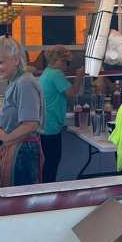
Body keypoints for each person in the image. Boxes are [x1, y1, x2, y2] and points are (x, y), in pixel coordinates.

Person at [0, 36, 44, 187]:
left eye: (0, 62)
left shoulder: (25, 83)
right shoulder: (15, 82)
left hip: (23, 154)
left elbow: (30, 125)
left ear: (16, 60)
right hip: (16, 151)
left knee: (18, 205)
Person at [39, 46, 85, 183]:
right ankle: (49, 190)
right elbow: (72, 93)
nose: (67, 67)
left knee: (48, 161)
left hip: (45, 123)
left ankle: (47, 188)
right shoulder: (56, 74)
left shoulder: (47, 72)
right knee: (52, 161)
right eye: (67, 63)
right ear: (59, 60)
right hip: (51, 125)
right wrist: (79, 76)